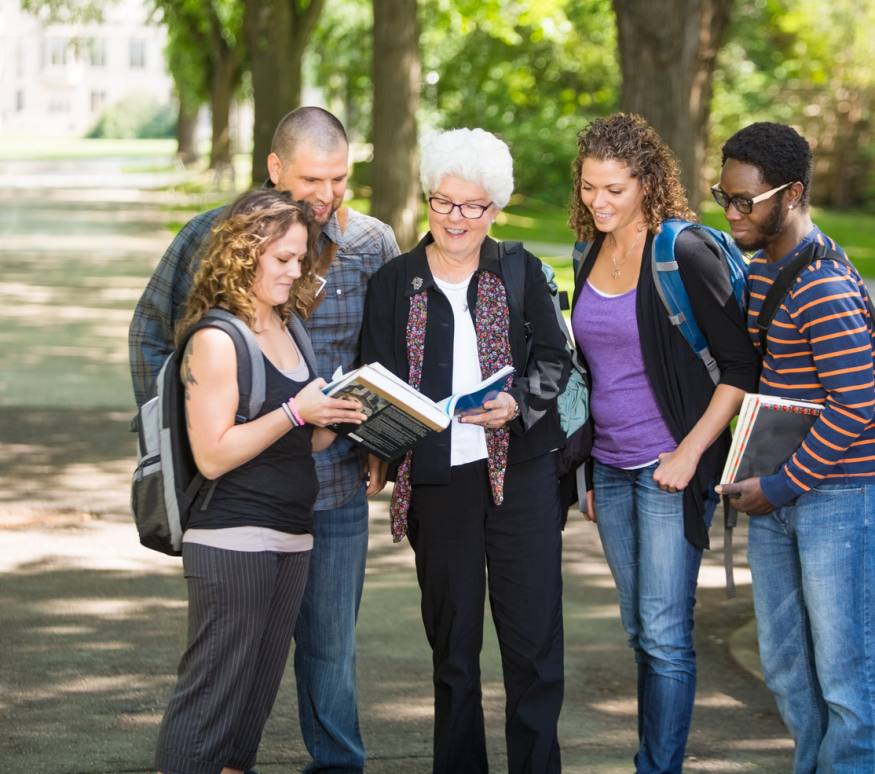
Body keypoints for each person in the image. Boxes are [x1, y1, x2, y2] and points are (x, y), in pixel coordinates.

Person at [129, 107, 398, 774]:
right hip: (235, 495)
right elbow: (150, 338)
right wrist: (183, 447)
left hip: (329, 485)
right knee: (227, 666)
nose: (329, 194)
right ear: (275, 168)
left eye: (341, 179)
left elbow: (388, 356)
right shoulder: (213, 238)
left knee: (324, 652)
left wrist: (383, 443)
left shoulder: (372, 243)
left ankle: (337, 767)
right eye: (313, 178)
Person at [360, 128, 571, 774]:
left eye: (471, 206)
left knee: (534, 654)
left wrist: (518, 405)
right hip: (439, 485)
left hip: (523, 483)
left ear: (494, 209)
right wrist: (385, 440)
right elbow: (375, 377)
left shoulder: (522, 270)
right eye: (443, 203)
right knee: (454, 656)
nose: (455, 219)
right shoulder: (394, 283)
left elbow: (556, 362)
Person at [568, 113, 760, 774]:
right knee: (638, 631)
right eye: (590, 186)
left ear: (647, 183)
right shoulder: (586, 251)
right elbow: (590, 373)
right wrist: (587, 473)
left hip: (667, 467)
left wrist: (688, 453)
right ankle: (655, 758)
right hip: (611, 470)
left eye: (614, 189)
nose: (599, 201)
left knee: (664, 634)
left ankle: (658, 766)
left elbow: (740, 367)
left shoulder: (683, 251)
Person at [154, 189, 365, 774]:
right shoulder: (215, 339)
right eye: (283, 260)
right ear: (245, 255)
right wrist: (298, 412)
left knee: (248, 712)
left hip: (292, 538)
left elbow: (301, 438)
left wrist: (344, 419)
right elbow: (214, 454)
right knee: (209, 706)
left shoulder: (290, 326)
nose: (296, 270)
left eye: (300, 259)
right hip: (230, 541)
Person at [715, 122, 875, 774]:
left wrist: (781, 484)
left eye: (747, 201)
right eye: (725, 197)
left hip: (844, 496)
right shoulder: (761, 269)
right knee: (790, 669)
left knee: (848, 674)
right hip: (781, 492)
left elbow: (858, 405)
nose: (734, 214)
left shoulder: (822, 284)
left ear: (791, 195)